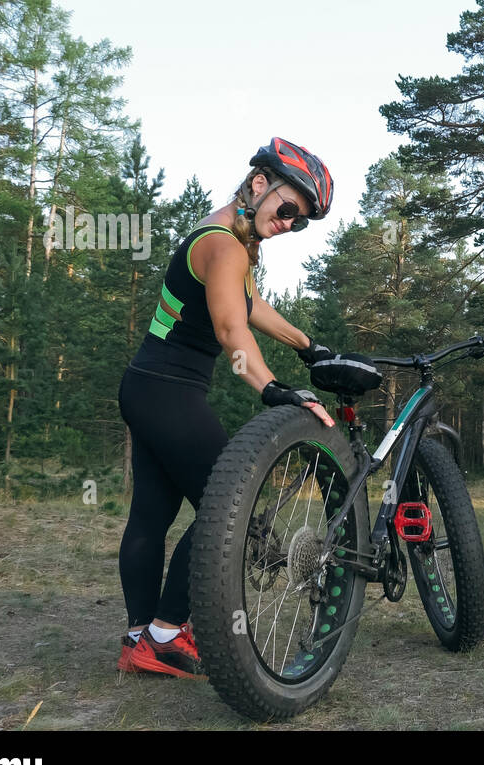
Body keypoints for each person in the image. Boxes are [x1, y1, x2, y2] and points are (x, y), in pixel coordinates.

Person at [115, 138, 336, 679]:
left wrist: (306, 345)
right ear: (260, 184)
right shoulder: (226, 246)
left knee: (152, 513)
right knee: (229, 507)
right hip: (168, 392)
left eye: (300, 222)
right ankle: (166, 632)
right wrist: (271, 386)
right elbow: (229, 328)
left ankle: (140, 638)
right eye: (289, 210)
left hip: (148, 387)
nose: (289, 224)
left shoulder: (227, 237)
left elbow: (250, 305)